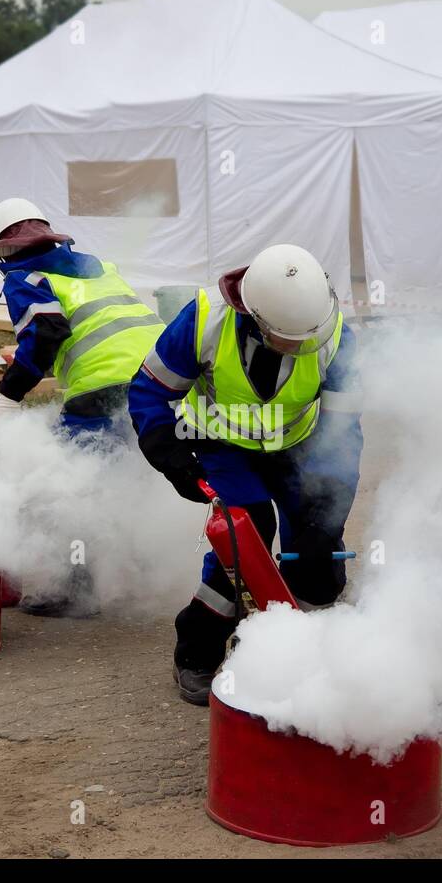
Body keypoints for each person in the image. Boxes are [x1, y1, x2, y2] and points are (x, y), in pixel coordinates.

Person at [128, 244, 363, 705]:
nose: (301, 348)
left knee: (317, 558)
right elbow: (149, 392)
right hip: (223, 445)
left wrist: (327, 518)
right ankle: (196, 653)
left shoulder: (335, 335)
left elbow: (344, 435)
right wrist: (168, 454)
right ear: (251, 315)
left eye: (306, 338)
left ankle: (307, 658)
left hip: (301, 445)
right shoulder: (202, 322)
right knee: (244, 540)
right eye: (288, 339)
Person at [0, 197, 166, 615]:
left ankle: (74, 593)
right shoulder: (95, 265)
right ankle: (150, 564)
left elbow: (46, 331)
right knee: (133, 471)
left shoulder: (24, 276)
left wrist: (9, 395)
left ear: (1, 250)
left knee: (68, 480)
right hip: (159, 375)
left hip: (104, 384)